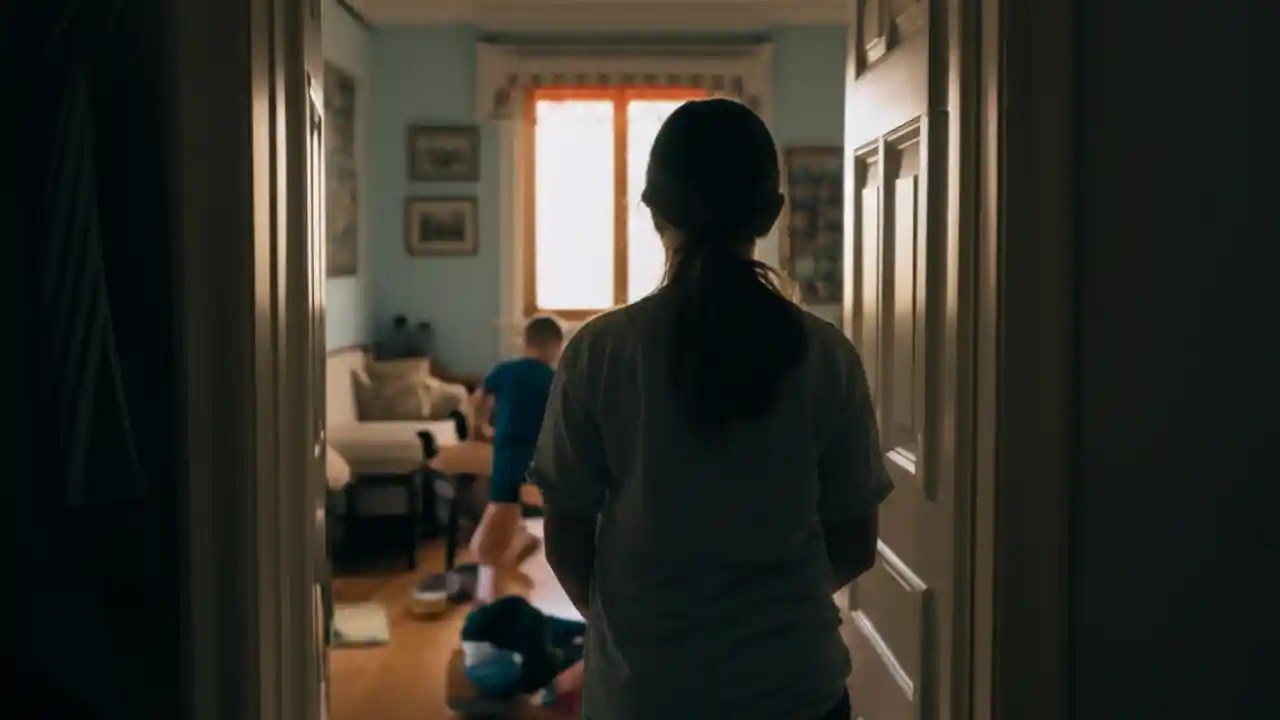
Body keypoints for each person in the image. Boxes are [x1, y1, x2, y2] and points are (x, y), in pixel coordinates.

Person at [529, 99, 892, 719]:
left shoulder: (599, 352)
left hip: (646, 695)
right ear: (771, 213)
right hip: (794, 689)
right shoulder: (827, 355)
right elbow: (855, 541)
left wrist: (644, 633)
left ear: (652, 209)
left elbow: (564, 538)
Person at [468, 316, 565, 566]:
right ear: (557, 347)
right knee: (523, 505)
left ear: (525, 342)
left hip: (508, 450)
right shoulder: (554, 377)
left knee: (502, 507)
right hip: (539, 453)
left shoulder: (505, 370)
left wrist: (479, 427)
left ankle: (516, 541)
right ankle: (521, 537)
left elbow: (480, 398)